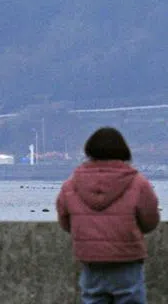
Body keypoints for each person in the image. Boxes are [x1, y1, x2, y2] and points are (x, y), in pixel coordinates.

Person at [57, 126, 160, 304]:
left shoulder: (71, 184)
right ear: (123, 151)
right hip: (127, 259)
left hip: (91, 261)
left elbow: (65, 221)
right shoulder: (138, 183)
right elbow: (150, 220)